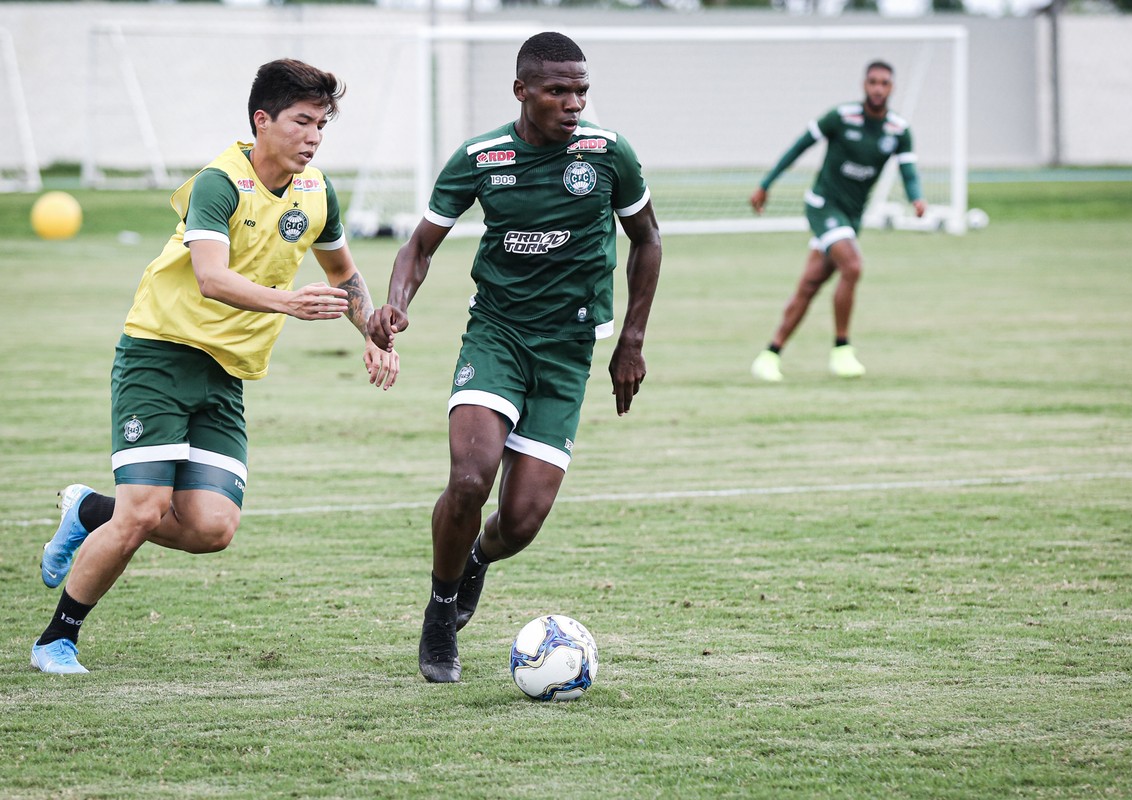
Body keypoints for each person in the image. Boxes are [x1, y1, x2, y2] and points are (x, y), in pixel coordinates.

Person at [31, 58, 398, 674]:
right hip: (159, 354)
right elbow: (210, 277)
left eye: (321, 125)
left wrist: (373, 333)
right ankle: (55, 640)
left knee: (212, 529)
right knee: (144, 509)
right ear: (262, 120)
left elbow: (343, 274)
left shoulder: (316, 192)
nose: (313, 137)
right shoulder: (220, 182)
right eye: (301, 122)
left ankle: (88, 510)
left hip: (226, 373)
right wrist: (289, 302)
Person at [368, 31, 661, 684]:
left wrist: (631, 340)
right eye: (558, 91)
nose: (574, 103)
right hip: (497, 337)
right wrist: (396, 304)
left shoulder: (608, 154)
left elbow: (648, 239)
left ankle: (474, 559)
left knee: (522, 521)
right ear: (522, 90)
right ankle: (441, 609)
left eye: (581, 91)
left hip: (568, 352)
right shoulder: (482, 157)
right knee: (471, 478)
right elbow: (418, 247)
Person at [748, 60, 926, 382]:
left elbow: (909, 172)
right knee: (853, 266)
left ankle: (769, 355)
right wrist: (765, 184)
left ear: (892, 88)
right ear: (864, 84)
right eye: (873, 81)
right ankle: (842, 349)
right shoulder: (840, 117)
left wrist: (917, 198)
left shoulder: (898, 130)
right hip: (823, 206)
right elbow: (798, 147)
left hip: (851, 216)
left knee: (810, 284)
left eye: (884, 83)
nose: (878, 88)